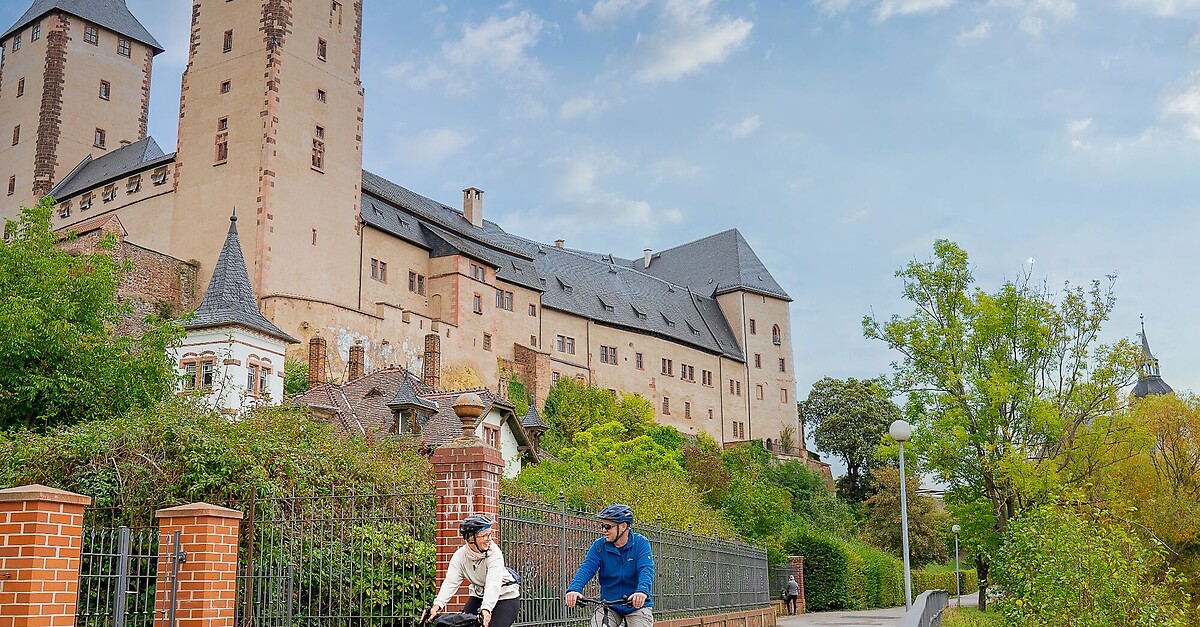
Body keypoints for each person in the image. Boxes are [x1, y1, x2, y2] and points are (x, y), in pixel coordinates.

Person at [564, 504, 655, 627]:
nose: (603, 530)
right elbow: (586, 568)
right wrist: (574, 589)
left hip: (636, 605)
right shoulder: (599, 546)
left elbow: (646, 569)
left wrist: (642, 591)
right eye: (602, 526)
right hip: (610, 605)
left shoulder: (640, 543)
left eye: (608, 526)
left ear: (623, 526)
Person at [429, 514, 520, 627]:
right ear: (471, 538)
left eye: (490, 534)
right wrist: (437, 606)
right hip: (478, 595)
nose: (489, 539)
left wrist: (486, 609)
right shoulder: (460, 556)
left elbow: (493, 584)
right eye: (484, 536)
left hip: (505, 596)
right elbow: (450, 583)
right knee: (463, 624)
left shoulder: (494, 554)